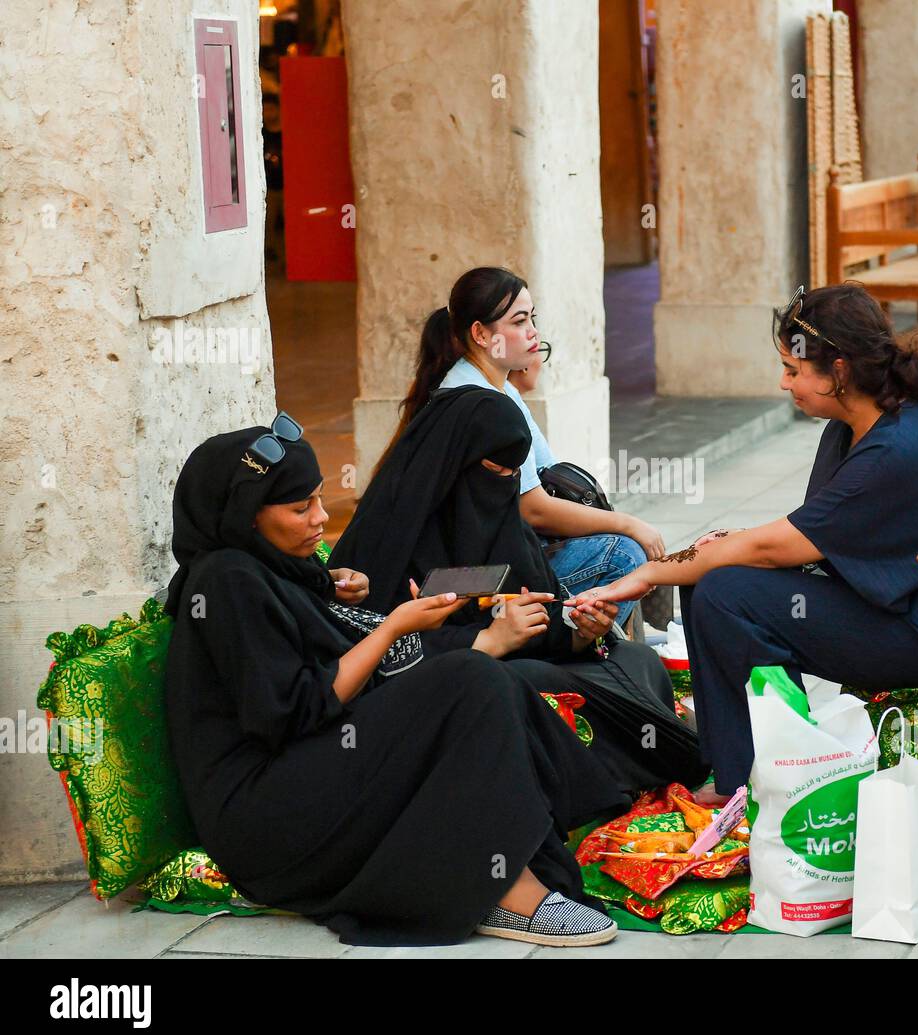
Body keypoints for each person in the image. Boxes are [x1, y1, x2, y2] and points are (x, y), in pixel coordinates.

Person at [163, 416, 628, 947]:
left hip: (308, 765)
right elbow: (296, 712)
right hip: (265, 815)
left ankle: (542, 843)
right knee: (467, 680)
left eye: (318, 499)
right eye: (300, 509)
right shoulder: (225, 582)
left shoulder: (266, 566)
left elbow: (303, 635)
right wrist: (393, 626)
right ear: (244, 516)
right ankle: (501, 890)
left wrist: (328, 591)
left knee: (481, 680)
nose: (320, 519)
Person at [569, 283, 918, 803]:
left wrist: (645, 574)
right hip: (899, 608)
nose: (784, 383)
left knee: (725, 591)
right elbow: (812, 535)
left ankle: (754, 777)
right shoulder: (855, 426)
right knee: (719, 572)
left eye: (794, 370)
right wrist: (722, 545)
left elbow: (776, 547)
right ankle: (756, 757)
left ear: (839, 371)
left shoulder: (901, 447)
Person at [330, 386, 708, 796]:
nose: (504, 487)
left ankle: (644, 770)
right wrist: (487, 640)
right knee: (527, 687)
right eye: (494, 472)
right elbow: (379, 652)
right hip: (452, 685)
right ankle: (607, 787)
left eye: (514, 475)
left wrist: (579, 630)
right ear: (453, 465)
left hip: (519, 660)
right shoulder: (387, 539)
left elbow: (541, 605)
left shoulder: (503, 521)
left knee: (638, 659)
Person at [392, 266, 662, 628]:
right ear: (481, 334)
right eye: (520, 322)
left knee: (619, 542)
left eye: (532, 319)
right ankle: (577, 647)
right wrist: (629, 525)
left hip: (501, 553)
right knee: (624, 555)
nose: (533, 333)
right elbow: (532, 510)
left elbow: (543, 489)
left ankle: (589, 641)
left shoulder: (499, 390)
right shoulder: (481, 404)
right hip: (478, 574)